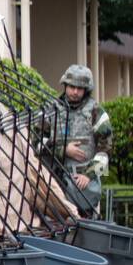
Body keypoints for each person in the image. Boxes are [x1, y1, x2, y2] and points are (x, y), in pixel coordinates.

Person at [43, 64, 111, 217]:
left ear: (86, 90)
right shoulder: (50, 110)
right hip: (54, 188)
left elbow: (106, 149)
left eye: (79, 88)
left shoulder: (96, 112)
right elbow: (37, 143)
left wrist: (89, 174)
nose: (75, 92)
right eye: (72, 87)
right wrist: (63, 149)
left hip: (84, 190)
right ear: (65, 85)